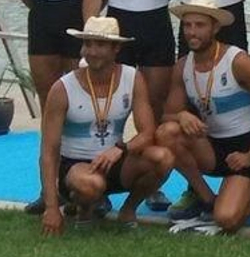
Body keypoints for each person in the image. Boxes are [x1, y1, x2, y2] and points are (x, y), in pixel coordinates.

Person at [12, 0, 99, 215]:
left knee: (83, 105)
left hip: (77, 18)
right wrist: (42, 7)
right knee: (51, 108)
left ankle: (90, 183)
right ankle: (50, 190)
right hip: (42, 18)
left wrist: (86, 24)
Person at [156, 0, 250, 235]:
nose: (192, 32)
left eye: (200, 25)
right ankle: (207, 198)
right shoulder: (183, 65)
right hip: (211, 146)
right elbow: (167, 116)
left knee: (227, 220)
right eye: (187, 25)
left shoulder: (238, 61)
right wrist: (181, 116)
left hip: (244, 149)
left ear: (215, 27)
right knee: (168, 133)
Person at [36, 15, 173, 236]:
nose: (91, 51)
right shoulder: (62, 88)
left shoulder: (132, 78)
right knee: (91, 185)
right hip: (76, 166)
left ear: (116, 48)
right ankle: (83, 209)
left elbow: (147, 133)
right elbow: (49, 151)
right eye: (87, 44)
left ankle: (128, 210)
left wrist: (120, 149)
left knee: (163, 157)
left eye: (99, 44)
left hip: (115, 161)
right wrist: (51, 208)